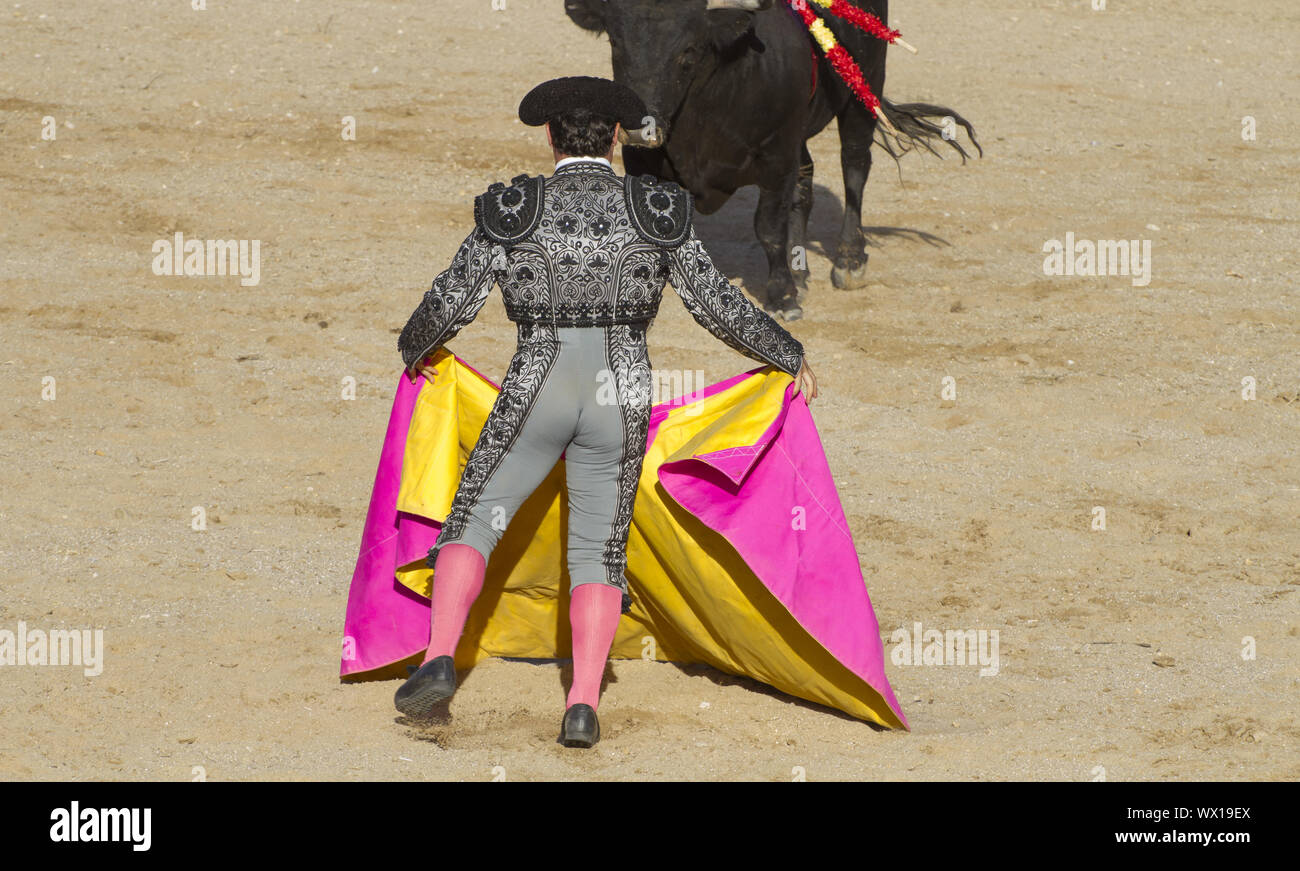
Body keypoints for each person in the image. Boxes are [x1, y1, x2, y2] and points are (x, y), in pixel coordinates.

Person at [392, 76, 819, 747]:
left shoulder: (514, 207)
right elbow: (715, 304)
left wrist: (414, 344)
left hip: (537, 381)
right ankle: (583, 703)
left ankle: (439, 656)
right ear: (617, 137)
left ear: (549, 136)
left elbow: (455, 296)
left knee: (475, 516)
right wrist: (786, 352)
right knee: (599, 549)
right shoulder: (657, 209)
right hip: (619, 391)